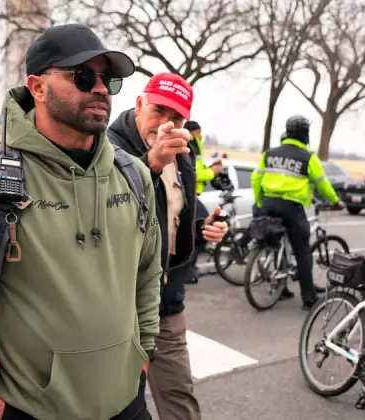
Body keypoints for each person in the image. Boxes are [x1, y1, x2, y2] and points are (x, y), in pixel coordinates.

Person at [0, 23, 162, 420]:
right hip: (30, 410)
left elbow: (146, 274)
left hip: (128, 403)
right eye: (82, 75)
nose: (99, 88)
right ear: (37, 88)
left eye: (107, 78)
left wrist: (142, 353)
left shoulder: (134, 176)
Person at [107, 72, 228, 420]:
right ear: (140, 104)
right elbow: (100, 210)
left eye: (176, 118)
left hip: (167, 301)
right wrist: (152, 164)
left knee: (180, 400)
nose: (165, 124)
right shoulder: (104, 145)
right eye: (159, 111)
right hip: (118, 306)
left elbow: (171, 216)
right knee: (117, 405)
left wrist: (202, 230)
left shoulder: (183, 154)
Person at [250, 115, 343, 310]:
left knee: (275, 241)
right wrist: (335, 201)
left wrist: (260, 202)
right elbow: (322, 184)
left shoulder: (269, 153)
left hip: (268, 203)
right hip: (291, 207)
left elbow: (256, 179)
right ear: (305, 134)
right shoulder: (308, 157)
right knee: (302, 252)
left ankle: (281, 287)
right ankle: (308, 299)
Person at [183, 121, 223, 282]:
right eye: (199, 132)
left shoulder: (195, 145)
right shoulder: (190, 144)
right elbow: (194, 172)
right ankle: (188, 269)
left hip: (193, 193)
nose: (201, 136)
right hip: (189, 194)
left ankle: (188, 268)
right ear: (194, 132)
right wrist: (212, 172)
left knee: (196, 229)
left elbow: (197, 167)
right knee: (203, 228)